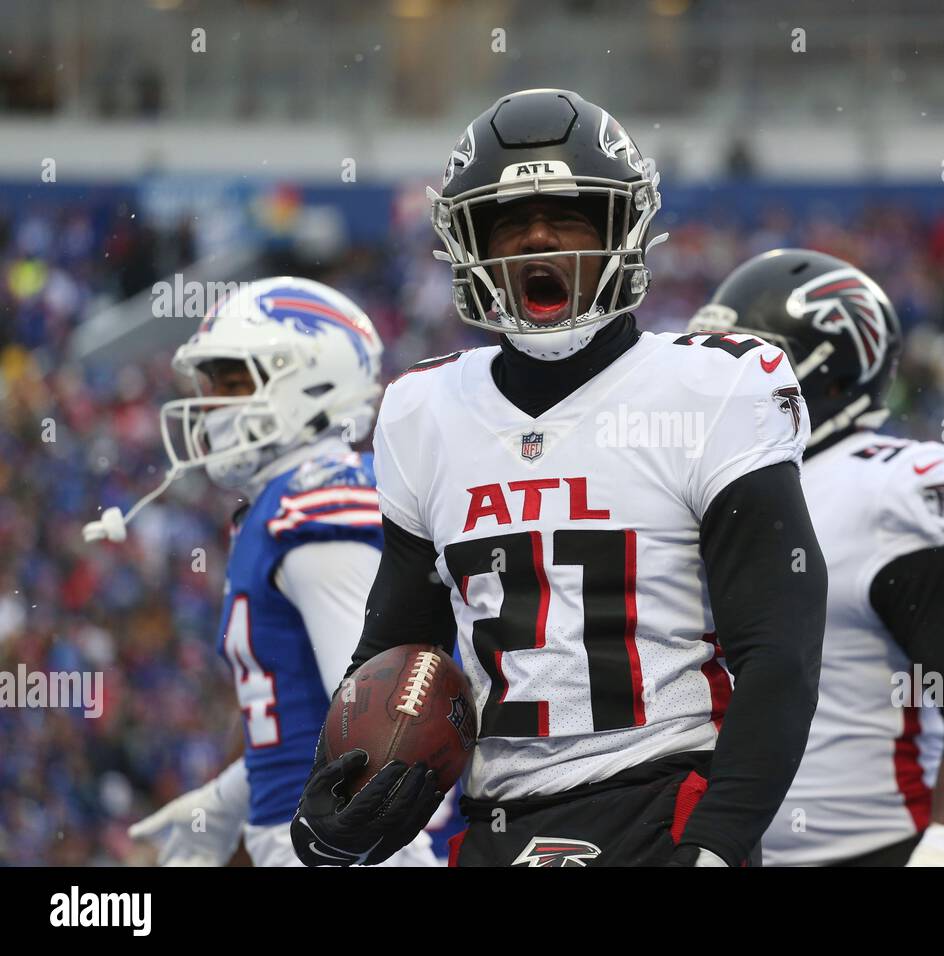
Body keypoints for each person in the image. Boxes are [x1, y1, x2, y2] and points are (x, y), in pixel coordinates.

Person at [290, 89, 828, 868]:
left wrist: (716, 845)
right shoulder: (423, 410)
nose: (538, 239)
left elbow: (780, 650)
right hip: (494, 823)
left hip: (661, 801)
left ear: (622, 230)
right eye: (510, 222)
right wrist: (336, 808)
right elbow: (396, 652)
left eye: (569, 214)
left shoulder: (715, 388)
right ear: (470, 244)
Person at [689, 249, 944, 866]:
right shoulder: (699, 487)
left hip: (876, 847)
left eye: (748, 359)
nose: (719, 383)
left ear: (834, 376)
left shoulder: (886, 488)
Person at [85, 276, 439, 867]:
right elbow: (307, 728)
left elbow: (386, 724)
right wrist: (226, 802)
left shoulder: (318, 507)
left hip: (339, 848)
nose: (211, 403)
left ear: (308, 377)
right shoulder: (278, 505)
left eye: (232, 381)